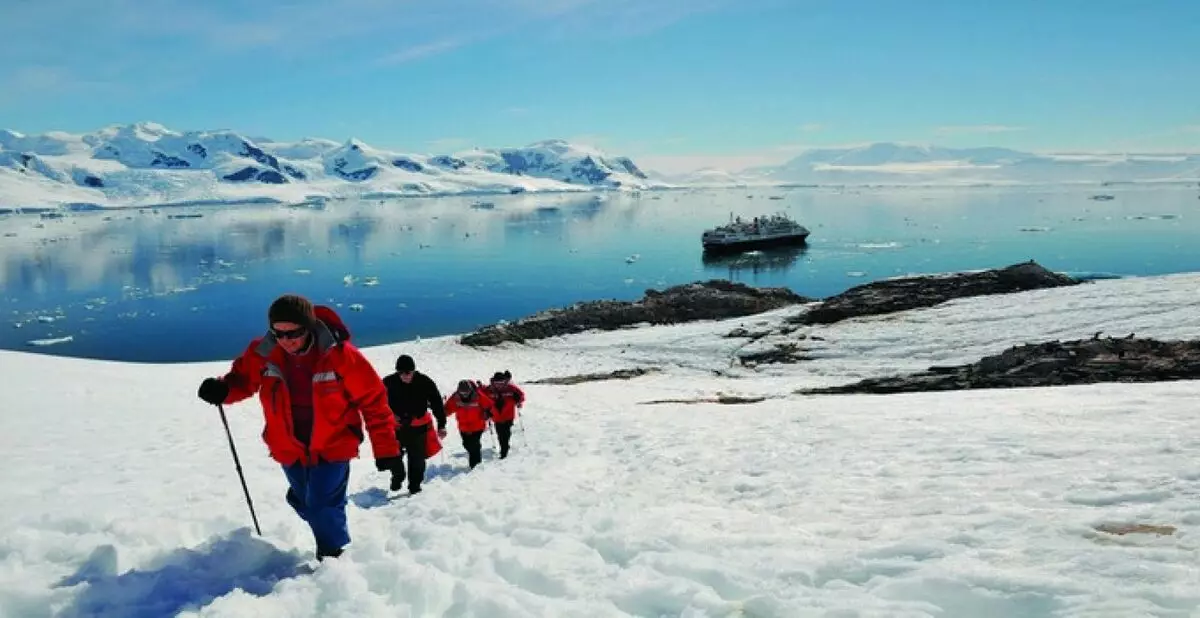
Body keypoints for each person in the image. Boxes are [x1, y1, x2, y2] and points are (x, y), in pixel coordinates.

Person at [196, 294, 402, 561]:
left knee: (320, 504)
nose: (286, 340)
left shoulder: (340, 356)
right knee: (309, 502)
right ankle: (315, 515)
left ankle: (333, 556)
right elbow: (242, 380)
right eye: (278, 333)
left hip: (333, 444)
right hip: (289, 447)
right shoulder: (263, 352)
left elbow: (373, 401)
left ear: (309, 326)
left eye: (294, 333)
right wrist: (223, 389)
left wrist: (386, 448)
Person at [381, 354, 446, 494]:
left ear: (414, 371)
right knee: (393, 457)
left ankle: (415, 487)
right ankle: (398, 477)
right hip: (396, 427)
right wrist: (391, 415)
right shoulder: (388, 382)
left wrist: (441, 424)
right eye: (400, 373)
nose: (404, 375)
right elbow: (378, 402)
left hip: (418, 427)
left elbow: (437, 403)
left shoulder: (425, 382)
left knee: (417, 460)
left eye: (408, 372)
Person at [444, 379, 495, 469]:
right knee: (467, 444)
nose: (464, 394)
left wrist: (487, 413)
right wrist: (442, 413)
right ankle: (475, 457)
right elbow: (448, 408)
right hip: (463, 427)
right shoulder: (456, 397)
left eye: (466, 392)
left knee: (474, 445)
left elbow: (490, 405)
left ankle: (475, 465)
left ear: (471, 390)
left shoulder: (478, 395)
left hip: (477, 426)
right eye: (462, 393)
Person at [480, 370, 525, 459]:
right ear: (493, 381)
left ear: (504, 381)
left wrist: (518, 399)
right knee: (500, 434)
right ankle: (504, 449)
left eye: (501, 382)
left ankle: (504, 450)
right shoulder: (489, 389)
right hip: (496, 416)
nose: (499, 384)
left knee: (506, 432)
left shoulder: (511, 388)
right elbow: (480, 395)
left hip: (508, 415)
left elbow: (521, 395)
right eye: (497, 382)